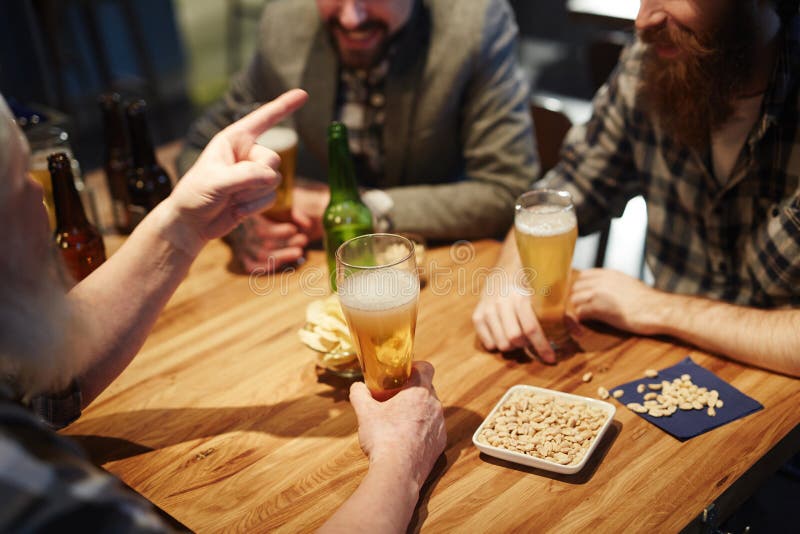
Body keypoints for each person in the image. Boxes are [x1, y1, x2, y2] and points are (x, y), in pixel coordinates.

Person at [0, 91, 446, 531]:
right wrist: (401, 462)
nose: (40, 200)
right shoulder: (33, 490)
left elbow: (38, 383)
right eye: (21, 180)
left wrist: (184, 223)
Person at [473, 0, 800, 378]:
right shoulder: (654, 62)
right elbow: (570, 186)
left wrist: (659, 308)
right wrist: (509, 278)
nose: (643, 20)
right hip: (670, 369)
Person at [177, 0, 537, 272]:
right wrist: (238, 219)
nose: (351, 18)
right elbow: (200, 150)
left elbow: (508, 190)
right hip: (309, 274)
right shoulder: (284, 21)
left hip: (443, 272)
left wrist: (364, 209)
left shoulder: (475, 21)